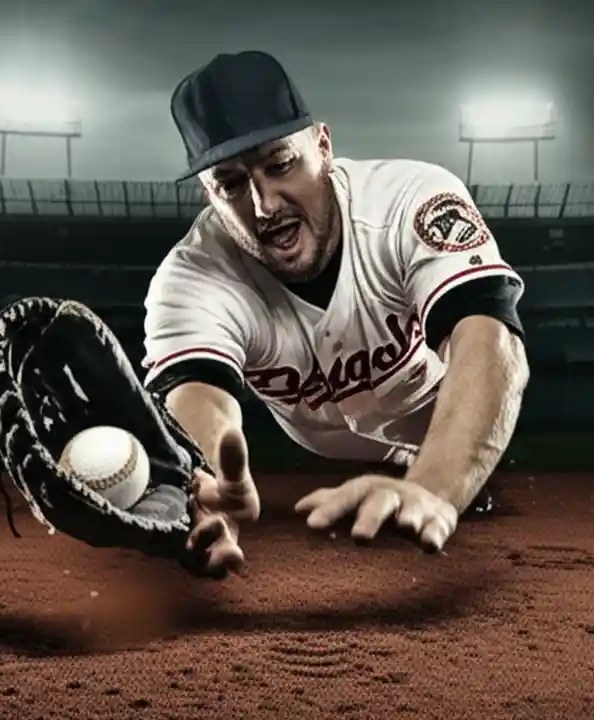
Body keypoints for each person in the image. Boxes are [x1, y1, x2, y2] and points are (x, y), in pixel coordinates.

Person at [145, 51, 530, 578]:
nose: (263, 205)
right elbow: (197, 396)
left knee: (467, 466)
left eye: (279, 164)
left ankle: (437, 466)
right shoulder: (192, 275)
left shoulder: (408, 200)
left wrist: (433, 488)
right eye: (230, 183)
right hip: (326, 443)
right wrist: (202, 474)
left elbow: (491, 339)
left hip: (432, 411)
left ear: (323, 147)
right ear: (208, 192)